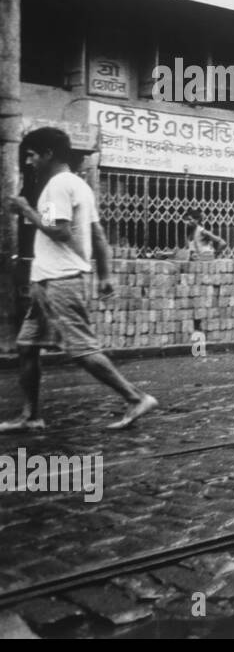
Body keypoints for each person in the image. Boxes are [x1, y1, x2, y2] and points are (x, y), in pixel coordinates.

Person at [1, 128, 158, 433]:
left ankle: (136, 397)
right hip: (49, 281)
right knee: (26, 346)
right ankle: (31, 415)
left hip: (59, 281)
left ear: (48, 153)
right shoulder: (79, 185)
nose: (29, 161)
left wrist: (25, 210)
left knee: (82, 349)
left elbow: (60, 231)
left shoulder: (57, 185)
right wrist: (104, 275)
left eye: (32, 155)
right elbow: (97, 234)